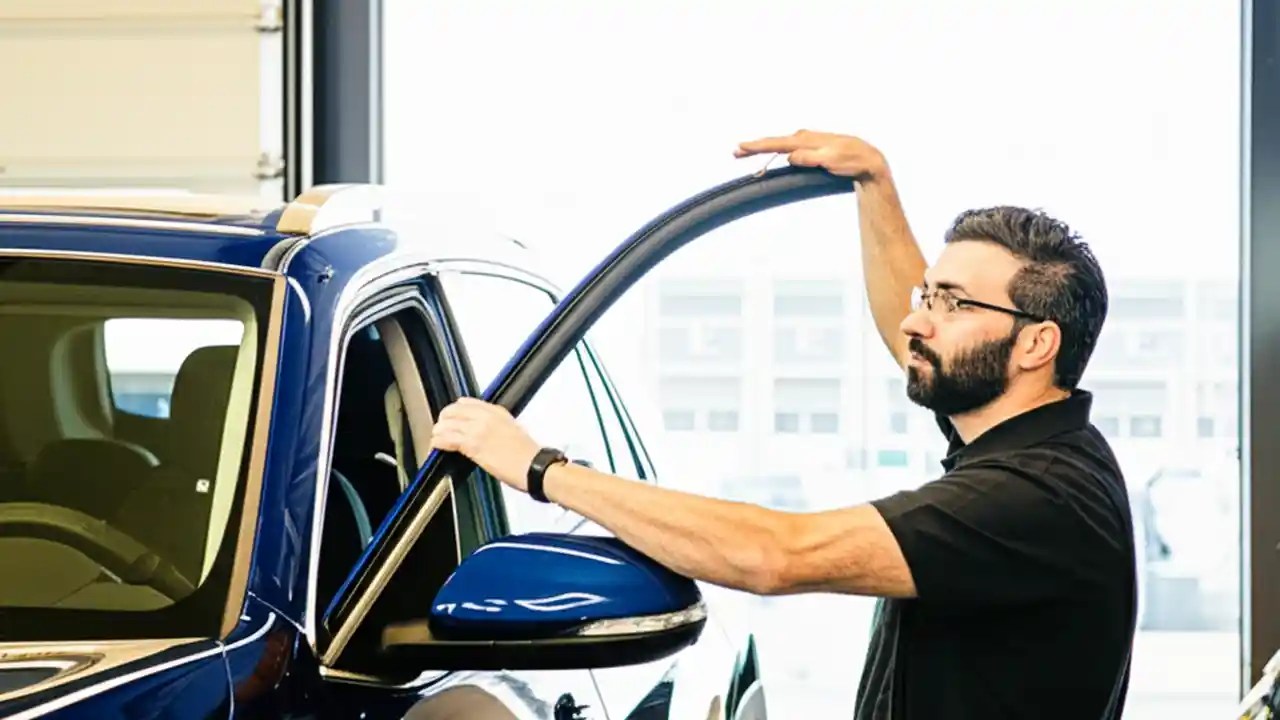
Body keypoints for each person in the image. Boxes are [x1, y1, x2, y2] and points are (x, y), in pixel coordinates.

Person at [429, 130, 1137, 719]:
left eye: (952, 303)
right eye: (929, 293)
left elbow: (777, 554)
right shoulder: (1029, 433)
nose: (918, 319)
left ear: (1036, 344)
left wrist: (542, 469)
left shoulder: (1034, 500)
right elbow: (920, 347)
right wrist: (875, 186)